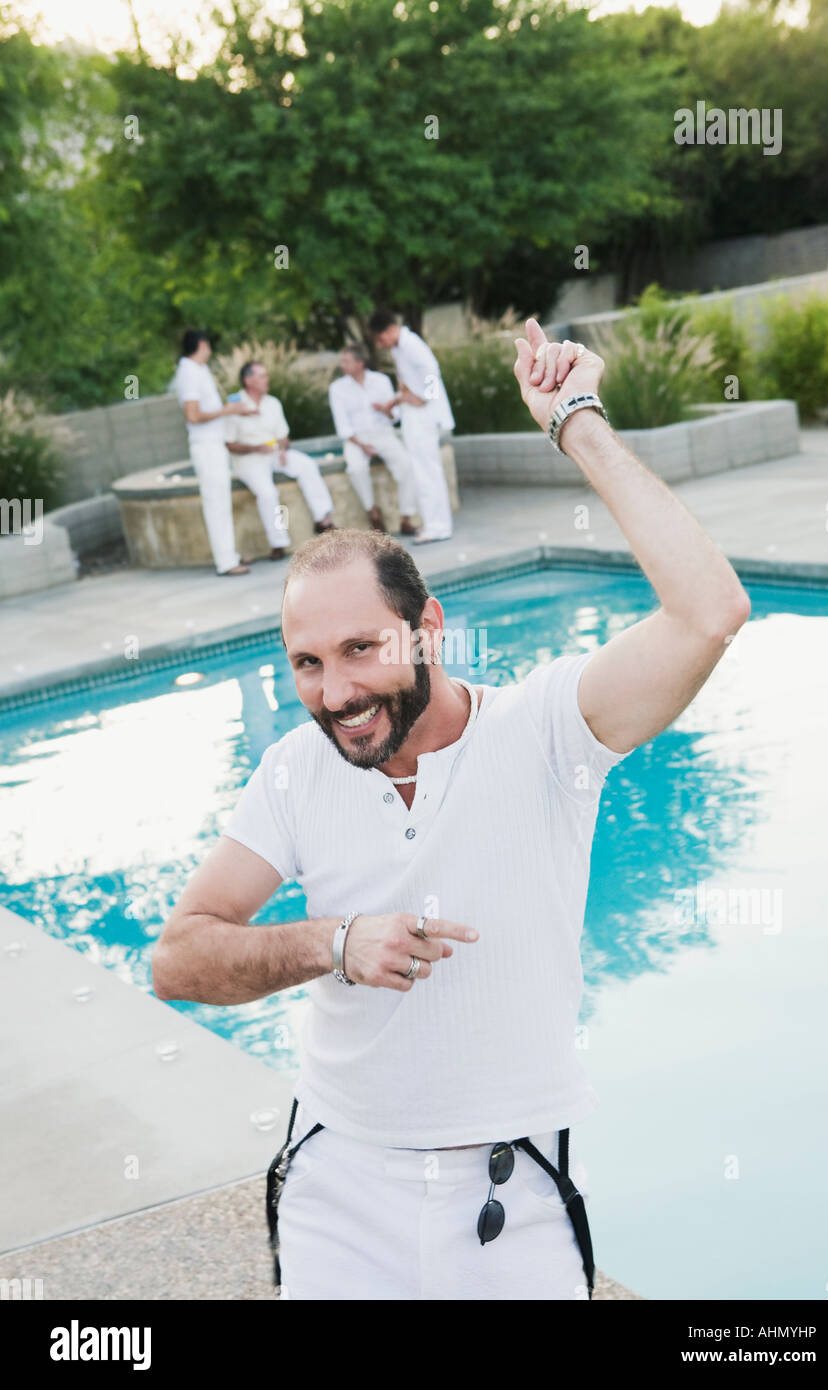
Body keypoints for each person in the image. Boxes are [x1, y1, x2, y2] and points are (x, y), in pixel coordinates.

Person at [151, 318, 750, 1300]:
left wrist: (575, 422)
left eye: (358, 650)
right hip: (338, 1187)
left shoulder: (546, 731)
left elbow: (707, 611)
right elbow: (177, 955)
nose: (333, 691)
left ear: (428, 627)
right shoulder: (297, 771)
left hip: (511, 1201)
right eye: (306, 662)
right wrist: (332, 942)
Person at [225, 362, 336, 559]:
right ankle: (278, 542)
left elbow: (284, 436)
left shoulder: (273, 403)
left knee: (306, 465)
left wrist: (282, 449)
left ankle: (323, 520)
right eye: (261, 376)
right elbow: (230, 444)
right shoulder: (235, 405)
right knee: (268, 493)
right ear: (248, 380)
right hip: (249, 458)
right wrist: (255, 448)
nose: (266, 379)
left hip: (275, 452)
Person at [173, 329, 257, 576]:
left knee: (222, 501)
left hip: (215, 444)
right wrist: (227, 411)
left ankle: (230, 554)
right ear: (201, 344)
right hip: (205, 446)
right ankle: (226, 562)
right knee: (216, 503)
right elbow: (192, 415)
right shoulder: (188, 371)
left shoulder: (199, 369)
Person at [368, 309, 455, 544]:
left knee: (427, 471)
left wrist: (424, 398)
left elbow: (431, 373)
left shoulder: (411, 344)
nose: (381, 344)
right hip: (414, 415)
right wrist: (394, 402)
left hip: (423, 416)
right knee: (422, 470)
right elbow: (410, 385)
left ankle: (438, 527)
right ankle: (433, 524)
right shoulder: (400, 348)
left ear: (388, 330)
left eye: (380, 339)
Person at [328, 344, 420, 537]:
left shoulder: (381, 381)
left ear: (360, 363)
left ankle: (406, 517)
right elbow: (342, 426)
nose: (342, 365)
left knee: (407, 465)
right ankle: (373, 512)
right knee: (356, 468)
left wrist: (386, 410)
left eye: (346, 361)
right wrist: (362, 446)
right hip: (356, 439)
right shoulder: (337, 388)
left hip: (383, 434)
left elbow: (394, 416)